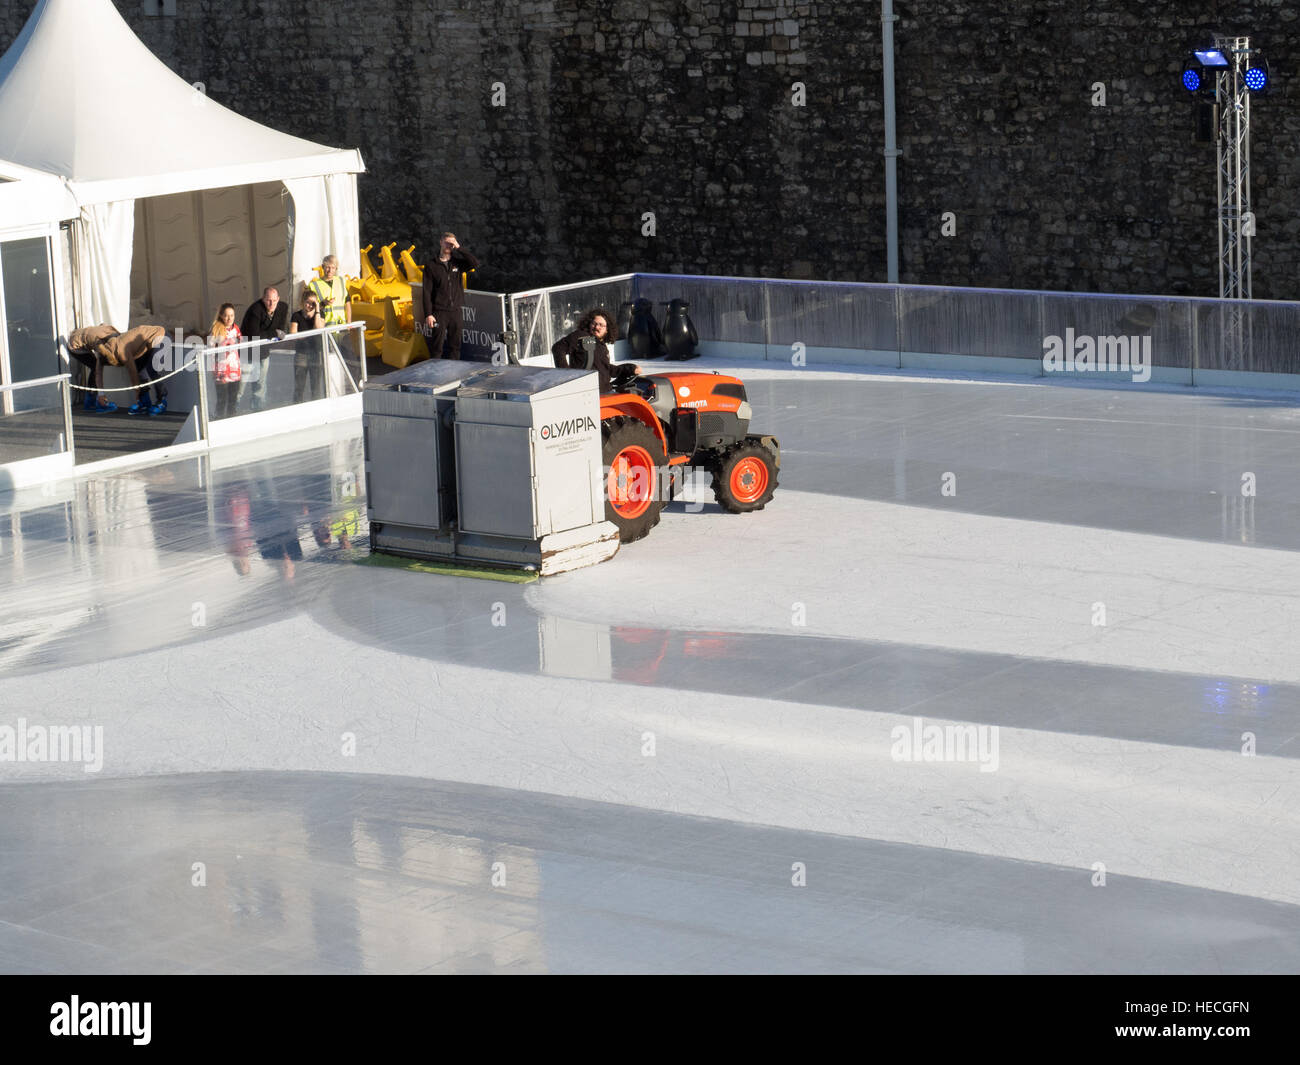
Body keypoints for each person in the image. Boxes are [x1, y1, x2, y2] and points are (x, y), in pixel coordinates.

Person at [420, 232, 479, 360]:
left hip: (456, 311)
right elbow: (426, 291)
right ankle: (436, 375)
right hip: (439, 313)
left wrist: (459, 248)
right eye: (447, 242)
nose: (448, 246)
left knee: (455, 346)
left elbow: (474, 263)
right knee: (437, 346)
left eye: (451, 244)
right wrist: (428, 314)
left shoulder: (457, 263)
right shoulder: (431, 265)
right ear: (441, 242)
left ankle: (454, 374)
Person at [551, 308, 633, 392]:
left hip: (604, 392)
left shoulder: (601, 346)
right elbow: (558, 348)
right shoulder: (581, 336)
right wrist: (566, 374)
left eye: (601, 325)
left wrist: (629, 369)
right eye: (594, 323)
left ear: (607, 330)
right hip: (587, 394)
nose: (597, 327)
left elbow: (604, 368)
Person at [94, 325, 168, 416]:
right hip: (146, 342)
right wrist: (100, 394)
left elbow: (132, 373)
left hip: (160, 335)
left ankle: (162, 401)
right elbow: (98, 373)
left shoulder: (122, 352)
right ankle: (145, 402)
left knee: (152, 369)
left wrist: (137, 393)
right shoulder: (104, 351)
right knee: (140, 370)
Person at [240, 287, 289, 410]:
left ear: (278, 299)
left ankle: (258, 409)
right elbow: (254, 335)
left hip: (263, 351)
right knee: (241, 385)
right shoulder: (255, 310)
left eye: (274, 300)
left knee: (261, 384)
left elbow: (281, 329)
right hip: (248, 350)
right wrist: (274, 333)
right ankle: (231, 410)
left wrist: (275, 333)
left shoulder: (282, 307)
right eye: (268, 300)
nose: (271, 303)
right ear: (263, 299)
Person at [287, 291, 325, 403]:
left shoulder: (320, 314)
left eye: (313, 303)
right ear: (303, 302)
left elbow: (319, 328)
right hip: (301, 353)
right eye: (307, 303)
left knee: (316, 386)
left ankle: (316, 407)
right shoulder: (296, 316)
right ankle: (297, 407)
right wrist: (309, 334)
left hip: (316, 352)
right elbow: (293, 334)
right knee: (299, 386)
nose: (310, 306)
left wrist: (317, 309)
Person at [210, 303, 243, 419]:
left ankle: (231, 420)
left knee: (233, 399)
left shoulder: (236, 328)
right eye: (226, 316)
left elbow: (240, 343)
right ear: (221, 316)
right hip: (222, 371)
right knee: (222, 400)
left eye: (232, 316)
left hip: (234, 369)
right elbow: (211, 350)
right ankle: (219, 420)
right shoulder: (216, 329)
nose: (229, 319)